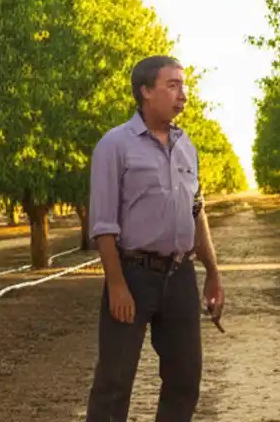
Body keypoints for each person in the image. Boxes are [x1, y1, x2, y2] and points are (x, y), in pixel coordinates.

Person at [84, 55, 223, 422]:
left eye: (184, 85)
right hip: (132, 274)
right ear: (145, 91)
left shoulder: (186, 145)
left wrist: (212, 271)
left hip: (179, 276)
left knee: (185, 378)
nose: (183, 95)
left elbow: (196, 209)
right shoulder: (115, 146)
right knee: (114, 383)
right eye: (172, 85)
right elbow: (103, 224)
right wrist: (116, 284)